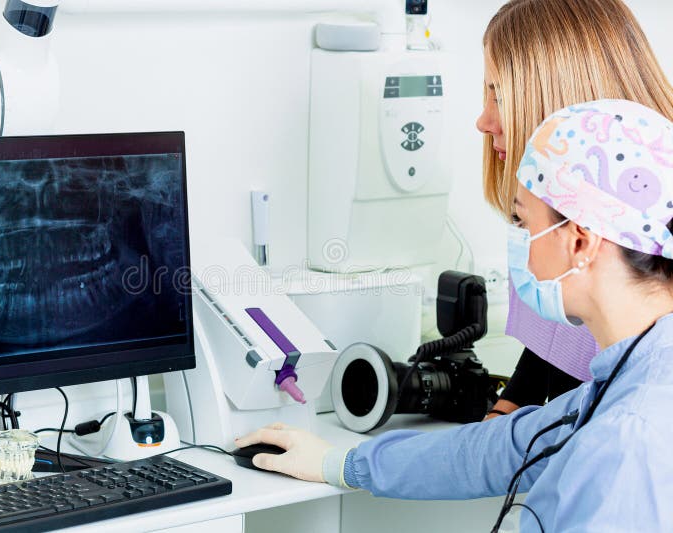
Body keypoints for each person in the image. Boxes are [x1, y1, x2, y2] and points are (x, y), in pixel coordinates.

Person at [237, 98, 673, 531]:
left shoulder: (628, 440)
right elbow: (505, 448)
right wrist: (339, 463)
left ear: (580, 242)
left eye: (523, 224)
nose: (520, 247)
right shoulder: (636, 371)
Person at [474, 0, 673, 419]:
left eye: (500, 96)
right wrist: (514, 401)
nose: (484, 120)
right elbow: (566, 334)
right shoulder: (556, 217)